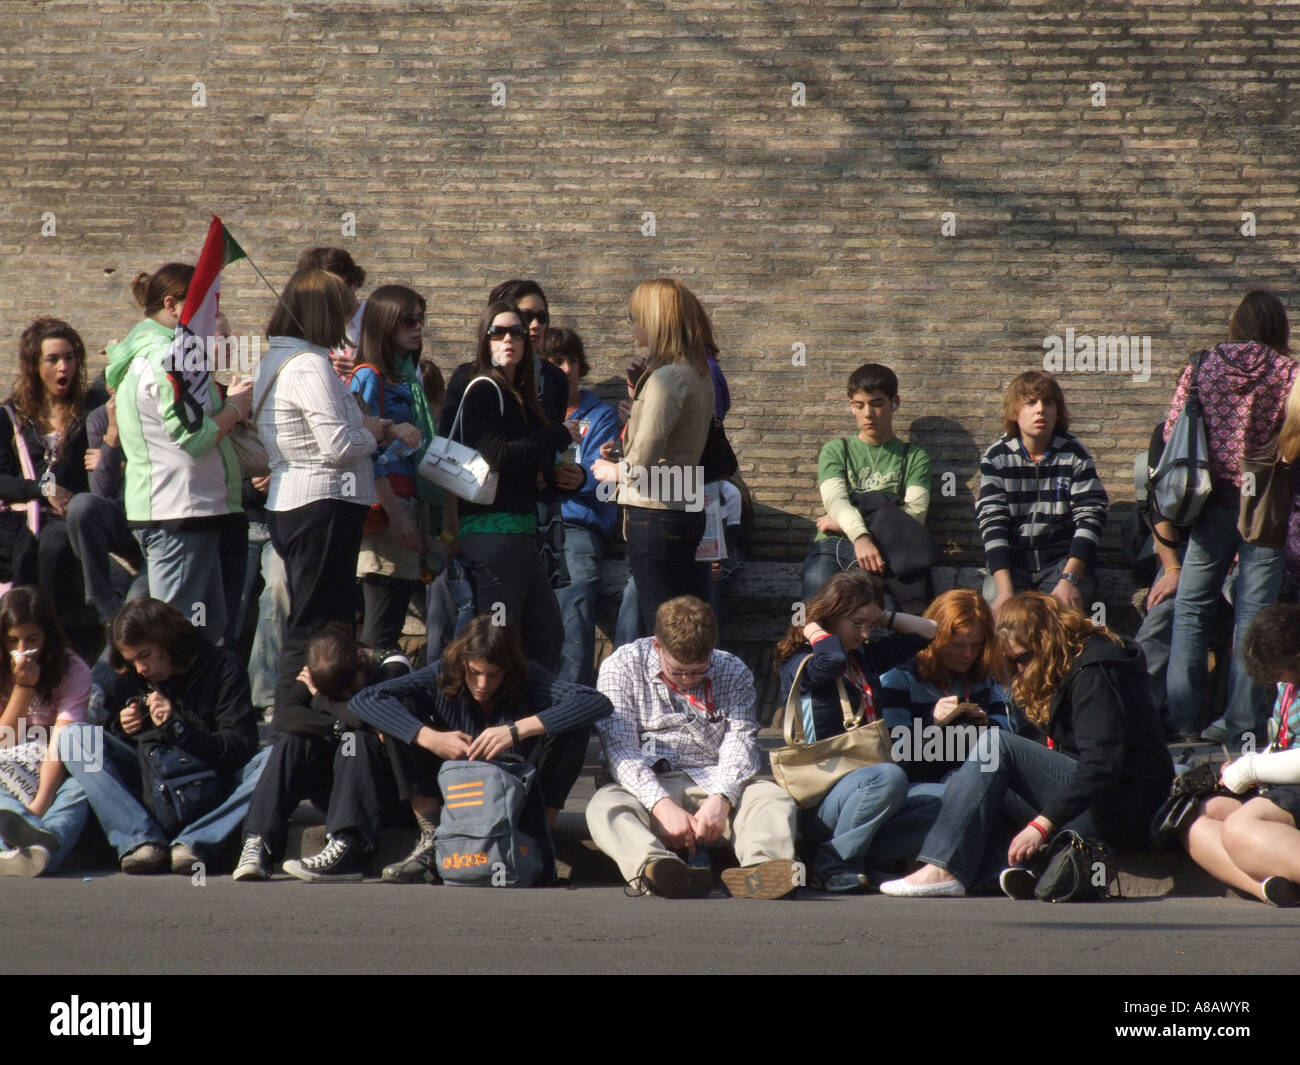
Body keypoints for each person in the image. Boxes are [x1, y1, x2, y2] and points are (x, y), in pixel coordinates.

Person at [880, 592, 1173, 898]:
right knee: (974, 782)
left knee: (996, 745)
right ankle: (1002, 869)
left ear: (1045, 642)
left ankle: (942, 868)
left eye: (1022, 658)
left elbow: (1101, 764)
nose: (1018, 669)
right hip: (1095, 804)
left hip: (1122, 813)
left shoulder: (1095, 672)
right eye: (1011, 661)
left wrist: (1042, 825)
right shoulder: (1068, 666)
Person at [292, 616, 613, 883]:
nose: (483, 685)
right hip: (454, 791)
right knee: (399, 711)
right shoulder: (442, 672)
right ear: (462, 663)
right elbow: (366, 700)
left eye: (493, 675)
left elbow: (596, 702)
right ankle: (431, 836)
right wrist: (429, 737)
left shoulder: (530, 677)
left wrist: (517, 730)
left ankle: (536, 838)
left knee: (573, 726)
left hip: (516, 793)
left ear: (509, 670)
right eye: (474, 673)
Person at [252, 266, 415, 715]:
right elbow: (340, 444)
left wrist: (366, 426)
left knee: (325, 623)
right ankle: (293, 721)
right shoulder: (308, 363)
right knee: (316, 626)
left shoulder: (280, 356)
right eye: (344, 311)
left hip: (303, 501)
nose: (349, 322)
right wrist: (379, 435)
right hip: (319, 503)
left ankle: (313, 718)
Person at [587, 595, 799, 899]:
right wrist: (661, 805)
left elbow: (741, 743)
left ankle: (762, 868)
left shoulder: (733, 670)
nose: (688, 680)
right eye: (678, 671)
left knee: (772, 798)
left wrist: (722, 798)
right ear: (658, 646)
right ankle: (656, 868)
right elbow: (622, 753)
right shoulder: (620, 667)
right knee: (604, 807)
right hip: (647, 785)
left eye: (698, 671)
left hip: (714, 782)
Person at [1163, 291, 1299, 746]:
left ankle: (1183, 722)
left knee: (1191, 608)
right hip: (1265, 500)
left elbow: (1171, 431)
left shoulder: (1202, 365)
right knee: (1253, 615)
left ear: (1237, 323)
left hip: (1211, 498)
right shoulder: (1290, 372)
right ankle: (1245, 726)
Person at [58, 598, 261, 873]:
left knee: (273, 760)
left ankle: (195, 841)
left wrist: (177, 727)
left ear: (167, 641)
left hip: (210, 780)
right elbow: (124, 748)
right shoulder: (133, 674)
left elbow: (240, 747)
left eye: (145, 655)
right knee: (73, 736)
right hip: (151, 779)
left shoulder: (224, 667)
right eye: (132, 660)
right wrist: (123, 727)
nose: (140, 668)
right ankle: (141, 840)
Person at [106, 264, 252, 646]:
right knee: (170, 638)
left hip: (184, 510)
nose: (210, 320)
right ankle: (133, 704)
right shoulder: (167, 356)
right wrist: (236, 408)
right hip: (178, 511)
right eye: (203, 309)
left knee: (206, 632)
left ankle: (195, 707)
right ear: (171, 305)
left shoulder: (152, 353)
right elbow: (195, 440)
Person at [774, 571, 943, 891]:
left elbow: (928, 630)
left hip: (870, 789)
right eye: (857, 623)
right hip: (821, 801)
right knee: (889, 777)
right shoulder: (801, 663)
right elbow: (831, 660)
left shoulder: (862, 658)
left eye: (871, 624)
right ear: (831, 617)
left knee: (950, 799)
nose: (866, 633)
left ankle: (860, 854)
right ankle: (832, 865)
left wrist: (881, 616)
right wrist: (810, 625)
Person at [435, 301, 580, 672]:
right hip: (491, 534)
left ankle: (530, 722)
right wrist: (556, 433)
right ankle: (485, 724)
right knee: (495, 641)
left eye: (516, 331)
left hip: (523, 534)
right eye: (496, 332)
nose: (508, 339)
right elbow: (499, 455)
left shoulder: (523, 394)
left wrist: (564, 478)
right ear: (484, 340)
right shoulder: (483, 388)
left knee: (545, 635)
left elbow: (531, 465)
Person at [233, 622, 411, 881]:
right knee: (293, 739)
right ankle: (259, 841)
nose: (344, 697)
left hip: (384, 792)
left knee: (357, 739)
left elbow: (371, 718)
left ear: (360, 662)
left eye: (349, 693)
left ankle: (348, 845)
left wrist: (320, 700)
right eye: (334, 695)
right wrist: (338, 722)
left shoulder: (392, 666)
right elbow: (284, 717)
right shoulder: (325, 669)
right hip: (337, 788)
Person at [592, 279, 715, 633]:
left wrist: (608, 470)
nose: (631, 324)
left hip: (656, 514)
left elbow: (640, 464)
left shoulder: (666, 378)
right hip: (684, 508)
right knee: (685, 627)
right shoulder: (697, 373)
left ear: (656, 320)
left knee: (663, 630)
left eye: (635, 316)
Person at [1182, 604, 1300, 905]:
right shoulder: (1289, 685)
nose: (1276, 680)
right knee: (1199, 817)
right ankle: (1270, 887)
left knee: (1239, 827)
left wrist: (1250, 768)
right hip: (1286, 790)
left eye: (1278, 671)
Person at [349, 285, 445, 650]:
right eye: (408, 320)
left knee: (387, 623)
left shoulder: (406, 379)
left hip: (407, 507)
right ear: (384, 323)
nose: (418, 327)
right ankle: (364, 706)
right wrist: (396, 513)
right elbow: (364, 449)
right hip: (386, 513)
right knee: (380, 630)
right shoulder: (369, 375)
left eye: (421, 318)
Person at [800, 363, 933, 611]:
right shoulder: (837, 450)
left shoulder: (914, 457)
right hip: (832, 546)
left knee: (884, 618)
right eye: (859, 405)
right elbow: (836, 500)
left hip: (887, 552)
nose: (868, 414)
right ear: (851, 406)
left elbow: (915, 515)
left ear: (895, 402)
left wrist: (845, 525)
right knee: (816, 610)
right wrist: (859, 537)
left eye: (877, 403)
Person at [976, 370, 1108, 616]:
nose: (1040, 410)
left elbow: (1091, 516)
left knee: (1066, 617)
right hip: (1013, 560)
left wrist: (1069, 578)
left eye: (1048, 402)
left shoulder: (1074, 454)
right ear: (1015, 412)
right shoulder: (996, 457)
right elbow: (992, 521)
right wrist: (1005, 592)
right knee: (1001, 615)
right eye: (1030, 402)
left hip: (1061, 560)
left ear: (1057, 412)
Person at [0, 318, 95, 616]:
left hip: (67, 518)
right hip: (22, 516)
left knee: (54, 544)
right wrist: (41, 489)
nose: (63, 367)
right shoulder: (10, 416)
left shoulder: (91, 410)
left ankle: (51, 639)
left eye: (69, 358)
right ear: (34, 365)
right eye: (52, 359)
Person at [543, 327, 621, 685]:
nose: (561, 369)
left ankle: (571, 701)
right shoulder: (533, 413)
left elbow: (606, 480)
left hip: (576, 524)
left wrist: (584, 480)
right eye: (550, 362)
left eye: (566, 361)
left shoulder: (600, 416)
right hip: (533, 519)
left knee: (575, 600)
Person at [0, 586, 91, 876]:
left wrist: (38, 806)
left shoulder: (73, 670)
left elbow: (62, 740)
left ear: (48, 635)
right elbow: (3, 738)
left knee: (85, 780)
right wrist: (23, 687)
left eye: (33, 639)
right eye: (13, 640)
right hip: (7, 761)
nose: (22, 648)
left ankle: (39, 847)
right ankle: (20, 849)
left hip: (51, 763)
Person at [880, 588, 1011, 784]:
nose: (968, 654)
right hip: (920, 784)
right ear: (936, 640)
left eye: (976, 645)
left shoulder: (985, 672)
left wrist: (985, 726)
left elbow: (1010, 738)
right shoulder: (899, 677)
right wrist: (932, 724)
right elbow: (895, 758)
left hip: (977, 777)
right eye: (958, 645)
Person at [297, 247, 368, 378]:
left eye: (334, 291)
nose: (327, 301)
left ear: (354, 283)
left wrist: (365, 370)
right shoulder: (310, 326)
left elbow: (406, 376)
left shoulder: (379, 318)